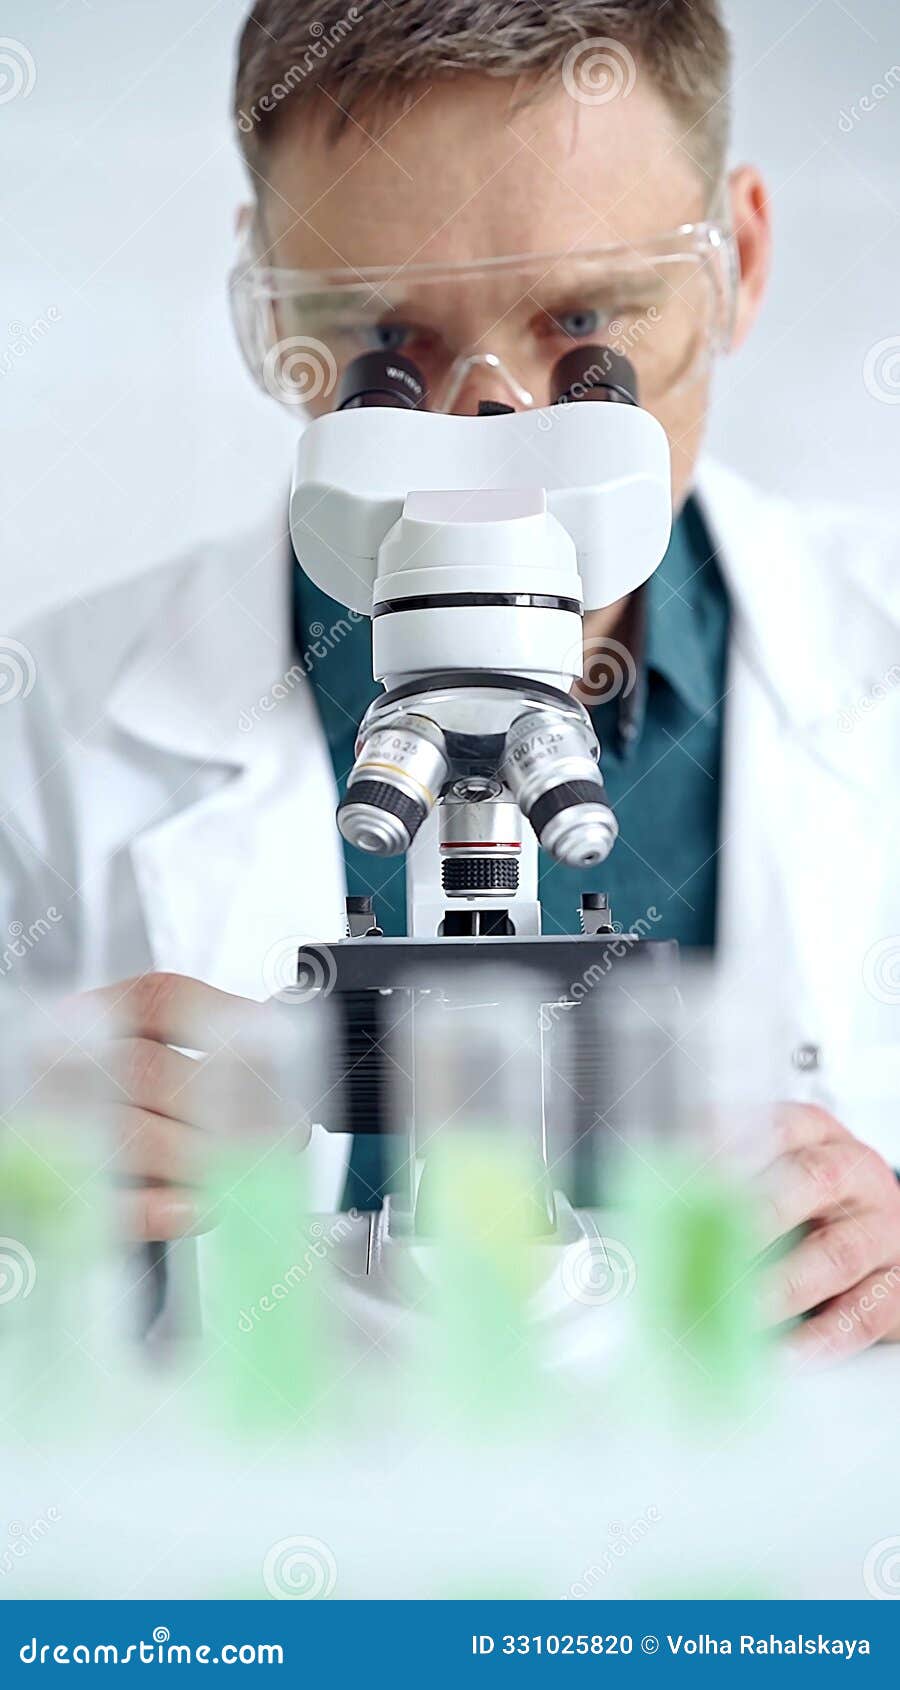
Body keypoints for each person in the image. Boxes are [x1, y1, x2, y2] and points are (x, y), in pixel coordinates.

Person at [2, 0, 899, 1359]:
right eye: (384, 343)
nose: (494, 420)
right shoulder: (43, 731)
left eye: (583, 326)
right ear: (274, 312)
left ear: (739, 264)